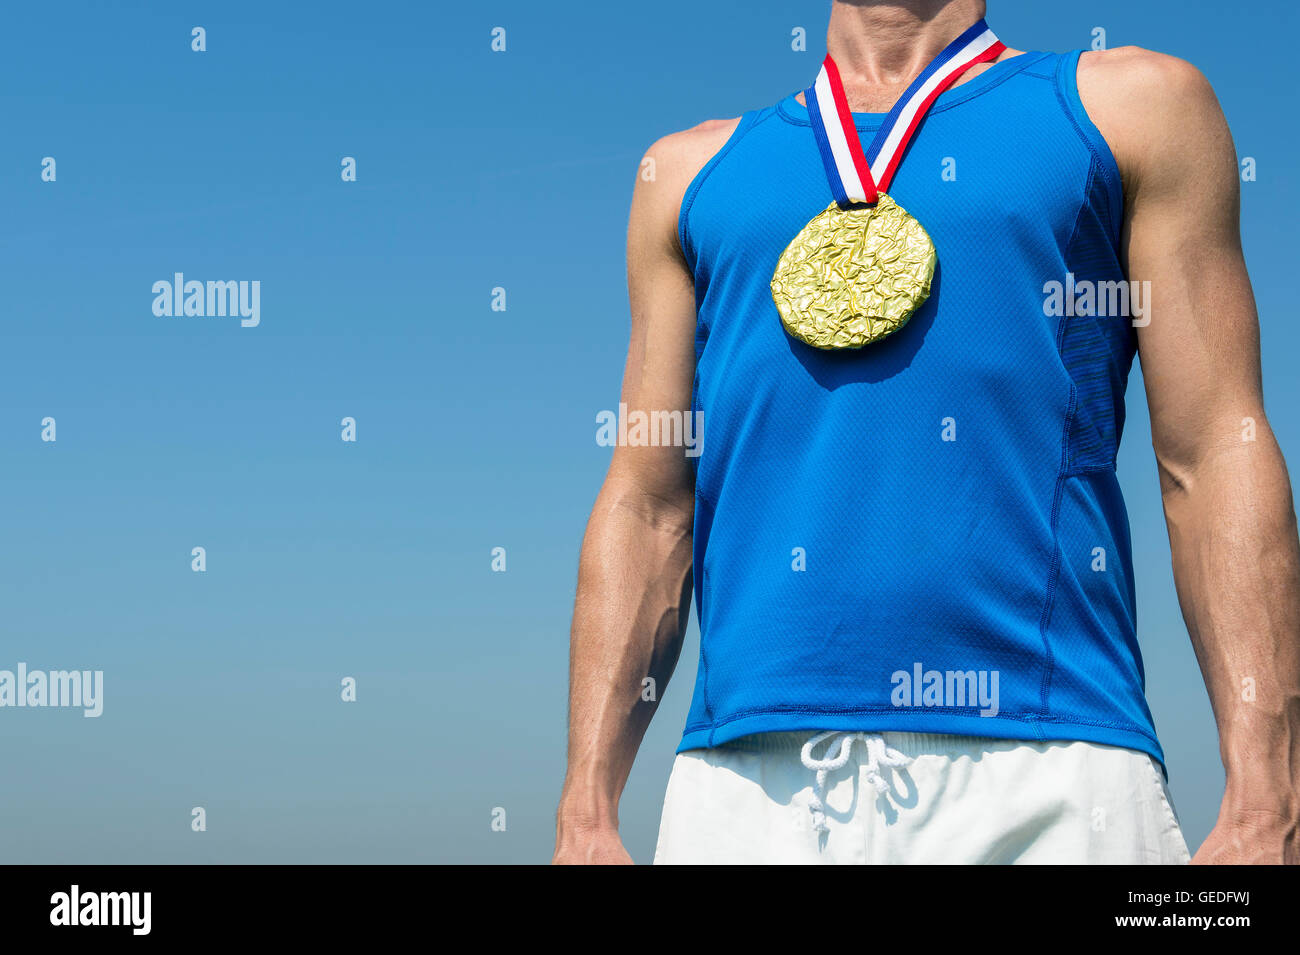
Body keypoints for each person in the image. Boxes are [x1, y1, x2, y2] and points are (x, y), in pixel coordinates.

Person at [553, 0, 1300, 864]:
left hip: (1055, 774)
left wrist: (1266, 800)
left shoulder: (1132, 108)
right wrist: (586, 812)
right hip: (745, 793)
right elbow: (647, 505)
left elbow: (1214, 451)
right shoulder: (685, 174)